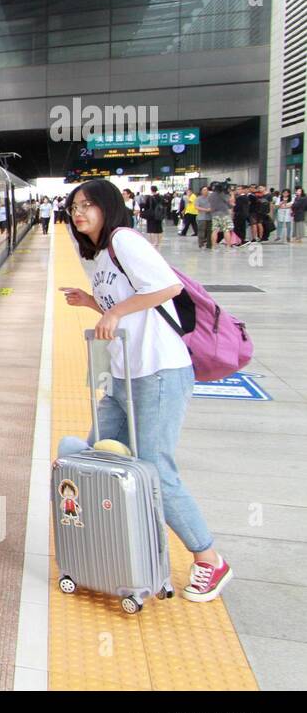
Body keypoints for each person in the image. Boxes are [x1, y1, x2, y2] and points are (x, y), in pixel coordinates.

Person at [58, 179, 232, 602]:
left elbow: (168, 288)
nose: (79, 213)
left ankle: (210, 559)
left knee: (155, 470)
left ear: (108, 207)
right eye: (74, 207)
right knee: (91, 457)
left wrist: (113, 309)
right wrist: (92, 303)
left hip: (157, 371)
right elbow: (131, 311)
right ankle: (110, 546)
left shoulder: (124, 240)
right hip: (122, 375)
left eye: (88, 205)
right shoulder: (99, 254)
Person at [208, 185, 233, 249]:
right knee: (226, 230)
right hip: (224, 214)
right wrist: (232, 194)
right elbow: (230, 203)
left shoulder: (211, 195)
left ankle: (213, 245)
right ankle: (228, 245)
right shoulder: (223, 194)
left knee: (214, 230)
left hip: (214, 214)